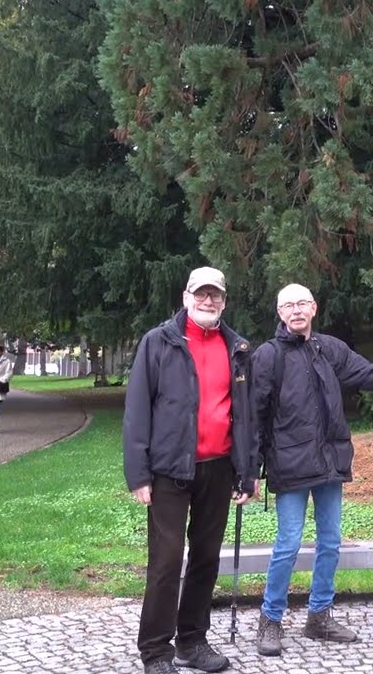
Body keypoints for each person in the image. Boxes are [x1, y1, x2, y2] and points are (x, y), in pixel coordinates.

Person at [251, 283, 373, 657]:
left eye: (302, 303)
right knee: (288, 543)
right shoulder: (268, 356)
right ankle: (270, 619)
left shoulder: (330, 349)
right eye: (288, 305)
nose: (296, 310)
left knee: (330, 541)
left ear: (314, 308)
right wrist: (247, 472)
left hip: (329, 462)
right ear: (279, 313)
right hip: (289, 465)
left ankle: (319, 615)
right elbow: (254, 417)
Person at [122, 266, 257, 674]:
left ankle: (192, 642)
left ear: (224, 301)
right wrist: (138, 473)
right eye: (201, 294)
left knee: (205, 558)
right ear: (186, 297)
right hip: (168, 471)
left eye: (215, 295)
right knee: (165, 562)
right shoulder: (158, 342)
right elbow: (137, 410)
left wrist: (246, 470)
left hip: (217, 469)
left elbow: (244, 414)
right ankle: (157, 652)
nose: (208, 301)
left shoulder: (237, 347)